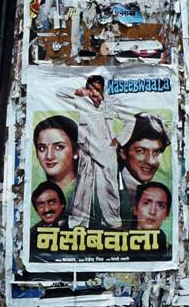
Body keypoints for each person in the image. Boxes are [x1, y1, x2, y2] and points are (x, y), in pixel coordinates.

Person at [56, 75, 132, 230]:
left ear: (103, 89)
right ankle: (77, 223)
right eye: (90, 89)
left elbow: (131, 120)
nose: (93, 92)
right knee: (82, 186)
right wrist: (78, 92)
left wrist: (119, 140)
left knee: (109, 186)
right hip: (86, 149)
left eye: (97, 89)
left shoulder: (112, 103)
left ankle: (112, 222)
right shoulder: (81, 100)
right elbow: (59, 92)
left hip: (106, 150)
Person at [118, 112, 170, 224]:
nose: (150, 161)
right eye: (141, 151)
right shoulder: (110, 190)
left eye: (157, 152)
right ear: (122, 152)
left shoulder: (151, 192)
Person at [32, 115, 78, 203]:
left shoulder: (90, 194)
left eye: (59, 147)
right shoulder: (36, 197)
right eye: (42, 148)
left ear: (75, 151)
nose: (49, 156)